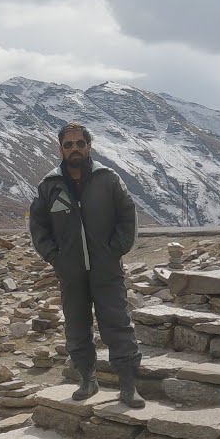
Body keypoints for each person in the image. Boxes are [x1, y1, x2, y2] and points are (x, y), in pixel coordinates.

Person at [29, 122, 144, 408]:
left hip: (107, 269)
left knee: (117, 324)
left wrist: (116, 249)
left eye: (80, 143)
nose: (74, 149)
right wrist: (55, 257)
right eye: (68, 145)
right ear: (60, 149)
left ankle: (128, 386)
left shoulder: (108, 179)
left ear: (89, 146)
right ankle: (87, 379)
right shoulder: (49, 185)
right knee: (77, 327)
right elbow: (38, 226)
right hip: (71, 272)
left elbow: (127, 214)